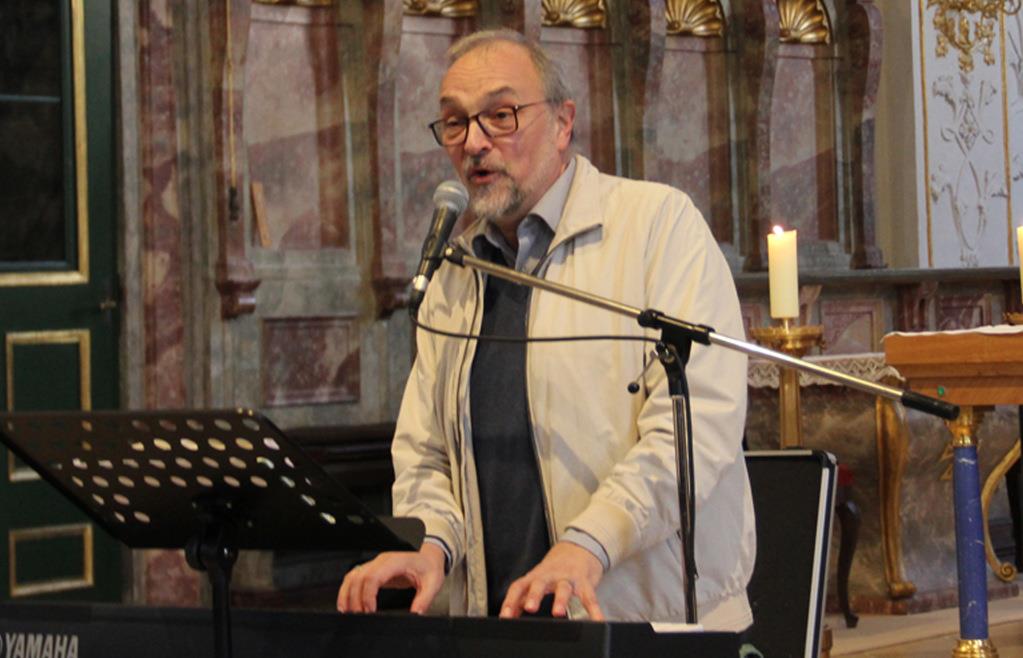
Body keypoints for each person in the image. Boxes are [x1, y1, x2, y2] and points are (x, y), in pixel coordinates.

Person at [337, 29, 755, 631]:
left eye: (500, 115)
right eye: (454, 123)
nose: (474, 142)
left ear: (563, 123)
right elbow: (427, 454)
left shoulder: (657, 227)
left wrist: (589, 543)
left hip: (645, 621)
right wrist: (427, 544)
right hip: (499, 625)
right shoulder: (456, 272)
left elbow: (694, 429)